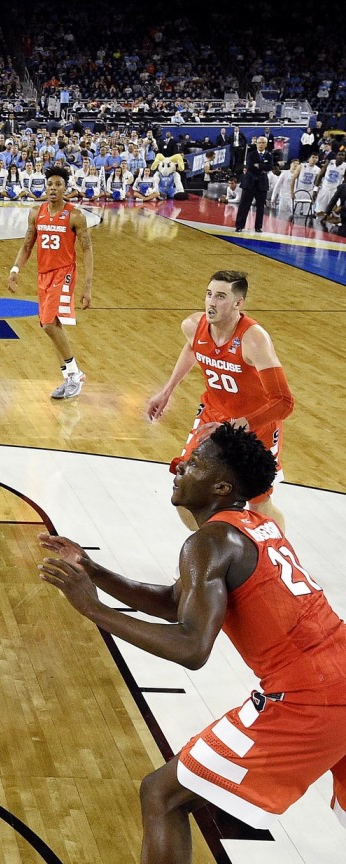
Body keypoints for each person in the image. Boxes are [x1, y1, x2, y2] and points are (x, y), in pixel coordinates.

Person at [37, 423, 346, 864]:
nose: (180, 466)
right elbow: (175, 603)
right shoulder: (252, 524)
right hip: (336, 674)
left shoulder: (210, 541)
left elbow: (191, 647)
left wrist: (94, 610)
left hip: (310, 695)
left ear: (221, 486)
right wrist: (94, 571)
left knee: (163, 795)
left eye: (196, 463)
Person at [146, 271, 294, 531]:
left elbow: (284, 402)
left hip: (255, 424)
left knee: (259, 505)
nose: (211, 302)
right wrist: (167, 390)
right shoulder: (193, 325)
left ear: (238, 303)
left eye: (221, 297)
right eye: (209, 294)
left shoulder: (253, 340)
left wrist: (238, 425)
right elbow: (193, 347)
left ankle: (281, 557)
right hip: (212, 416)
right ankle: (211, 553)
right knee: (186, 491)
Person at [7, 165, 94, 400]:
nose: (53, 188)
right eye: (50, 184)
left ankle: (76, 375)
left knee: (48, 324)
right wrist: (15, 269)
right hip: (43, 274)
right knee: (53, 327)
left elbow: (87, 250)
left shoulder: (75, 215)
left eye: (58, 184)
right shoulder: (36, 212)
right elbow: (27, 245)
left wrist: (87, 286)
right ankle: (68, 378)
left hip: (64, 273)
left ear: (66, 188)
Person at [235, 137, 274, 232]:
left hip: (262, 184)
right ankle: (239, 226)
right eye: (259, 142)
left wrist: (259, 165)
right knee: (244, 205)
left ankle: (258, 227)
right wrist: (262, 167)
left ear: (265, 144)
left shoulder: (269, 155)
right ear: (256, 144)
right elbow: (250, 166)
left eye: (263, 143)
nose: (261, 144)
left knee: (260, 207)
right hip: (249, 183)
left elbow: (270, 167)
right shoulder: (251, 154)